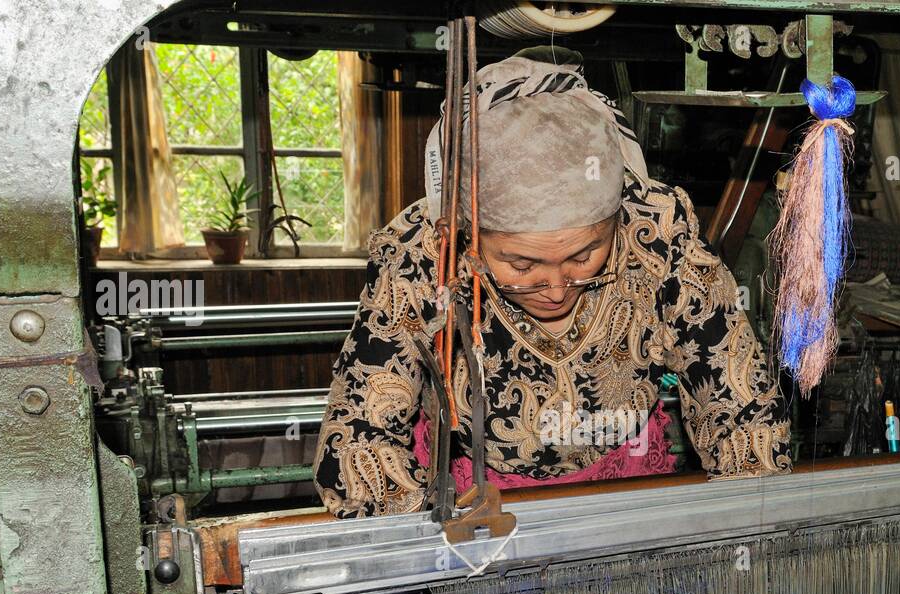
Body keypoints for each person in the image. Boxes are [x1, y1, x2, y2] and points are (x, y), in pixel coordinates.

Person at [314, 53, 791, 518]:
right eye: (521, 264)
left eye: (584, 256)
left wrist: (751, 523)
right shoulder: (421, 254)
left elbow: (739, 405)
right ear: (467, 233)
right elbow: (360, 438)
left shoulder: (657, 232)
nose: (558, 288)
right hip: (480, 514)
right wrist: (436, 546)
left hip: (630, 498)